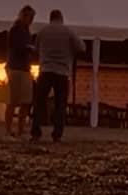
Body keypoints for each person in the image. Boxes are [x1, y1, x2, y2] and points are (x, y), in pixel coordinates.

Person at [30, 8, 86, 141]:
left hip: (45, 70)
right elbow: (82, 48)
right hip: (62, 72)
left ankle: (36, 132)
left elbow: (36, 50)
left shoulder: (42, 32)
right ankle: (57, 134)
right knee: (60, 104)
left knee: (39, 102)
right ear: (61, 18)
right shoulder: (68, 32)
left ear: (50, 18)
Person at [4, 5, 36, 137]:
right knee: (13, 100)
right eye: (28, 17)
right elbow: (17, 47)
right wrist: (29, 48)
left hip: (24, 69)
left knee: (26, 101)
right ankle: (8, 129)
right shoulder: (15, 30)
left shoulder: (26, 31)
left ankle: (20, 129)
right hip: (16, 68)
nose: (30, 20)